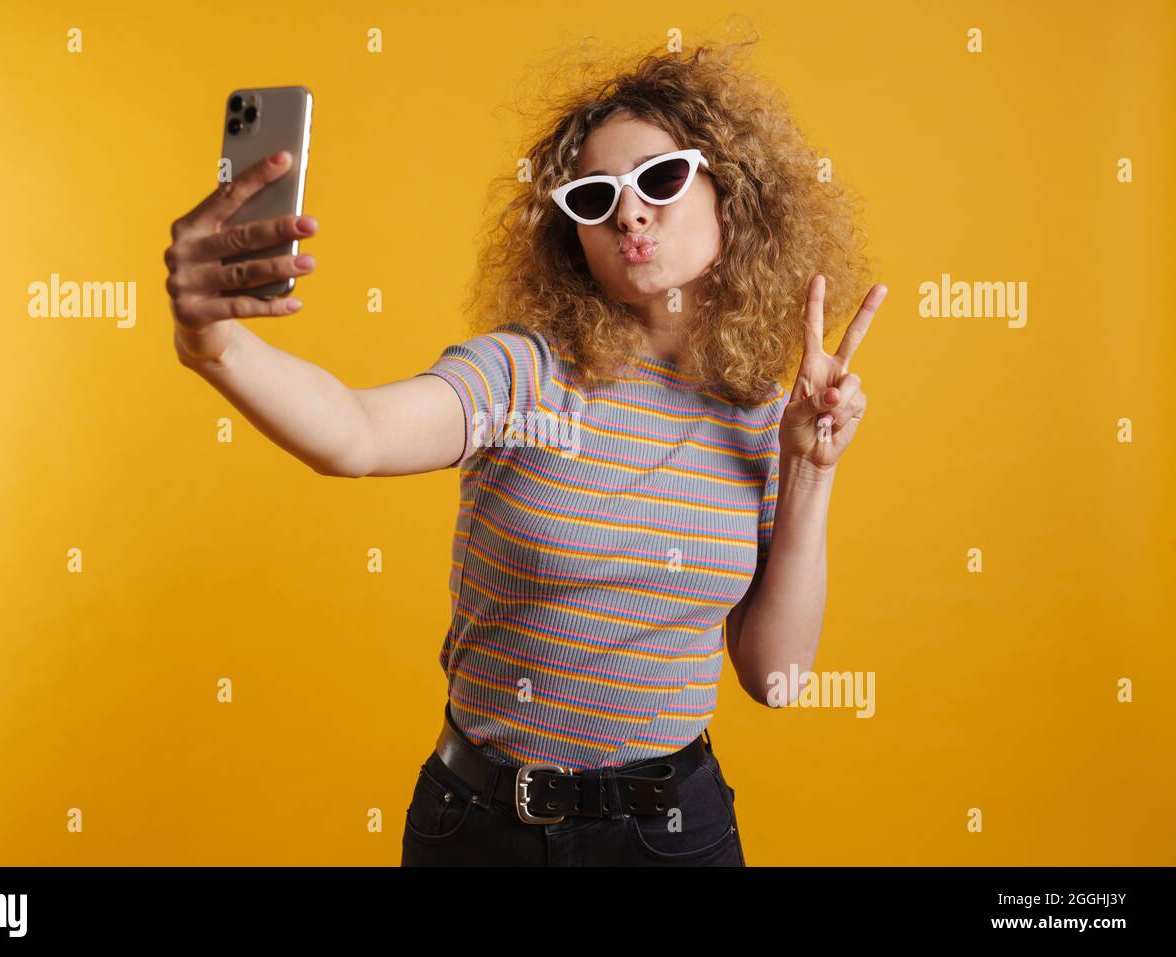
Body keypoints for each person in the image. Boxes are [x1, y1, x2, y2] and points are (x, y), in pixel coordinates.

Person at [164, 42, 886, 866]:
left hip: (674, 833)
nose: (629, 214)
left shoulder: (765, 412)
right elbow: (353, 434)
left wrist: (812, 469)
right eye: (594, 197)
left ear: (730, 190)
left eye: (658, 180)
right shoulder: (523, 376)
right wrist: (212, 341)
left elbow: (777, 677)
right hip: (485, 829)